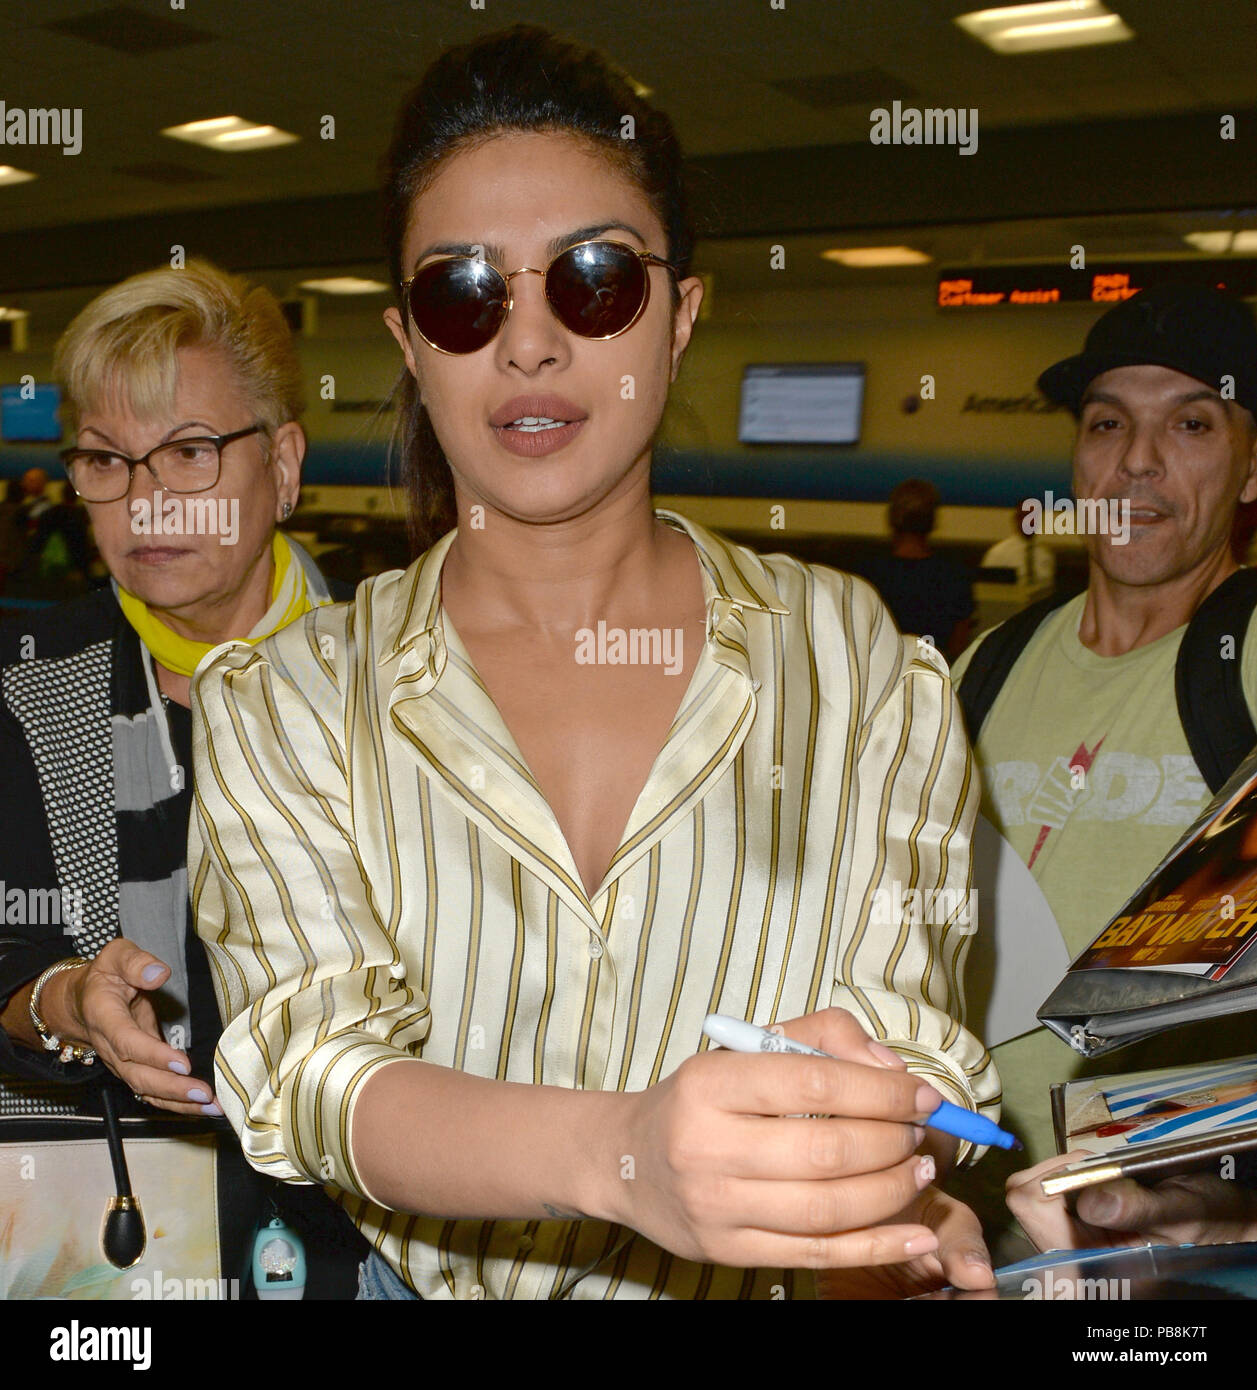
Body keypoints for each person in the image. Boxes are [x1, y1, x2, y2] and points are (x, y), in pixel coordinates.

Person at [189, 24, 999, 1302]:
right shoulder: (287, 699)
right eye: (466, 293)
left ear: (678, 317)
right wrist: (624, 1156)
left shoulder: (860, 670)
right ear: (412, 343)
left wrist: (882, 1202)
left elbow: (909, 1051)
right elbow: (315, 1070)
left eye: (594, 279)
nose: (527, 344)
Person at [0, 258, 366, 1297]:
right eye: (108, 461)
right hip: (118, 1232)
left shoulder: (410, 682)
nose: (148, 501)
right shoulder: (28, 694)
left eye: (191, 452)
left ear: (284, 463)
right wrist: (61, 999)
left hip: (371, 1235)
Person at [948, 281, 1257, 1256]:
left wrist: (1204, 1173)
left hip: (1170, 1226)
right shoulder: (982, 667)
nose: (1136, 461)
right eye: (1107, 421)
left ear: (1251, 471)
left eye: (1192, 422)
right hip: (969, 1192)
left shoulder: (1240, 663)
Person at [862, 479, 976, 660]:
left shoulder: (871, 574)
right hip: (936, 675)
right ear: (932, 521)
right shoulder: (953, 574)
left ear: (892, 519)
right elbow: (959, 646)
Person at [981, 500, 1056, 589]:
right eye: (1025, 516)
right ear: (1016, 519)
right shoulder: (998, 554)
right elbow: (986, 589)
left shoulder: (1045, 554)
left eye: (1034, 517)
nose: (1030, 521)